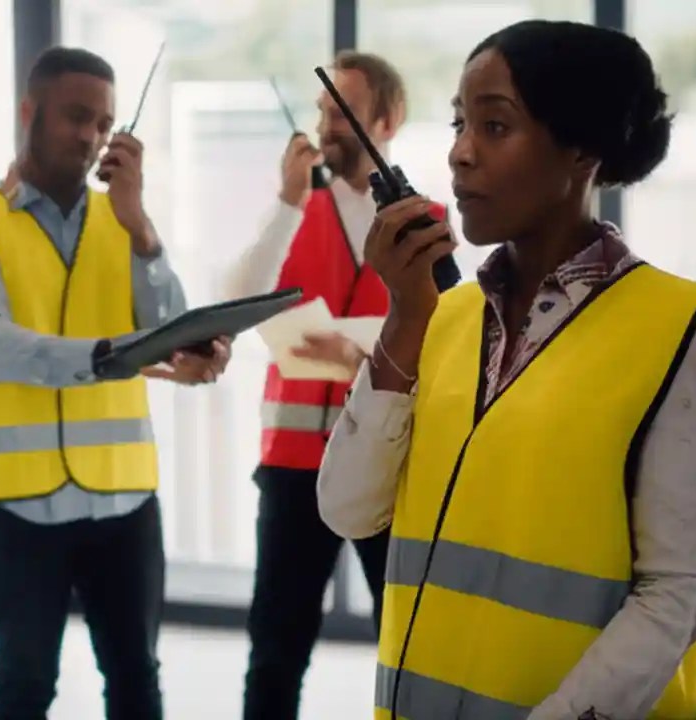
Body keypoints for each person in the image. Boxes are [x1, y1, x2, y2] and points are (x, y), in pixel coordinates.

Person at [314, 21, 696, 720]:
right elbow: (347, 507)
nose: (459, 154)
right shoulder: (445, 317)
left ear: (581, 147)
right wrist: (404, 318)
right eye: (461, 123)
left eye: (494, 125)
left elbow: (678, 590)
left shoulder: (679, 326)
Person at [0, 46, 231, 720]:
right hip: (19, 507)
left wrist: (143, 230)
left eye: (103, 123)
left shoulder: (123, 221)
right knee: (24, 684)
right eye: (75, 117)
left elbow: (168, 325)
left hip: (123, 502)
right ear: (28, 112)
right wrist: (108, 355)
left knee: (135, 678)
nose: (91, 135)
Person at [224, 51, 411, 720]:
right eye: (324, 110)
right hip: (294, 465)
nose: (327, 124)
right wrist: (286, 200)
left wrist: (356, 350)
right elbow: (241, 298)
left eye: (344, 111)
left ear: (386, 120)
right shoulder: (298, 206)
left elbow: (445, 323)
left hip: (389, 463)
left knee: (405, 639)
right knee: (276, 645)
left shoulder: (421, 217)